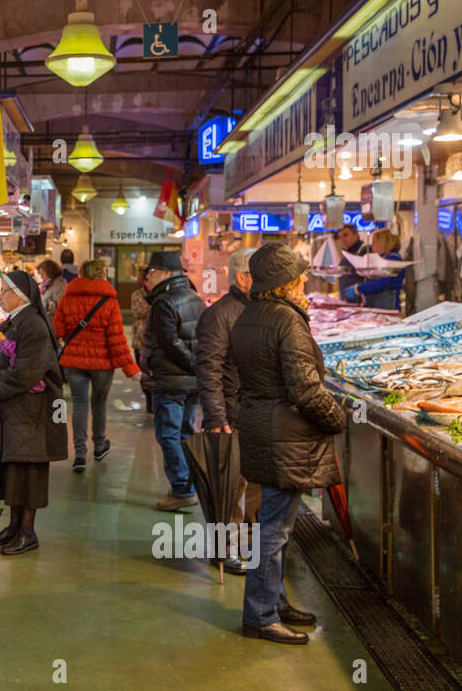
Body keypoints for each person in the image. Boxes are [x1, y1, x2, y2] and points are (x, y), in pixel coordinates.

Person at [231, 243, 346, 645]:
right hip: (286, 436)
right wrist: (337, 419)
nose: (304, 285)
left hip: (262, 429)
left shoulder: (250, 316)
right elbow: (307, 389)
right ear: (285, 283)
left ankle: (275, 602)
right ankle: (260, 616)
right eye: (300, 279)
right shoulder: (287, 321)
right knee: (274, 531)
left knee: (272, 524)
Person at [0, 270, 68, 554]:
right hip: (15, 410)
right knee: (13, 470)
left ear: (19, 295)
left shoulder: (34, 326)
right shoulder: (12, 322)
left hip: (33, 414)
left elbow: (26, 374)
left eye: (4, 291)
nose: (0, 295)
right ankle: (13, 527)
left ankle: (28, 532)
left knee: (29, 471)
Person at [194, 246, 257, 574]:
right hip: (231, 415)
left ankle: (251, 546)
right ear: (243, 277)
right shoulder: (220, 314)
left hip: (259, 415)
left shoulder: (263, 310)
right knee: (229, 488)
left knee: (255, 487)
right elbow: (209, 368)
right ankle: (224, 550)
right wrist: (216, 416)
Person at [53, 258, 140, 473]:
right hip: (102, 364)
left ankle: (80, 454)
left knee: (80, 405)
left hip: (74, 361)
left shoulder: (68, 298)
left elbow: (58, 331)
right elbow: (117, 339)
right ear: (102, 275)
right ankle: (99, 446)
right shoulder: (109, 302)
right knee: (99, 405)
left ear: (81, 274)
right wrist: (132, 370)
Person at [140, 251, 205, 511]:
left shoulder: (164, 302)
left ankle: (181, 489)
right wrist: (198, 367)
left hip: (171, 380)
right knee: (186, 433)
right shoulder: (194, 297)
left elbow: (170, 343)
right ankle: (187, 484)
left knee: (168, 434)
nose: (148, 277)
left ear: (167, 273)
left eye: (153, 272)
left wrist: (191, 363)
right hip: (191, 382)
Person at [343, 229, 403, 310]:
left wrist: (359, 288)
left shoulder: (393, 259)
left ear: (383, 242)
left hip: (387, 307)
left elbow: (381, 283)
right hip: (376, 306)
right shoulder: (382, 258)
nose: (371, 245)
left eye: (374, 241)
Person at [333, 223, 366, 300]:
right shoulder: (347, 253)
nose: (342, 239)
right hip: (346, 301)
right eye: (340, 237)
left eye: (345, 235)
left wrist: (358, 289)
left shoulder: (364, 250)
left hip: (359, 301)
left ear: (356, 234)